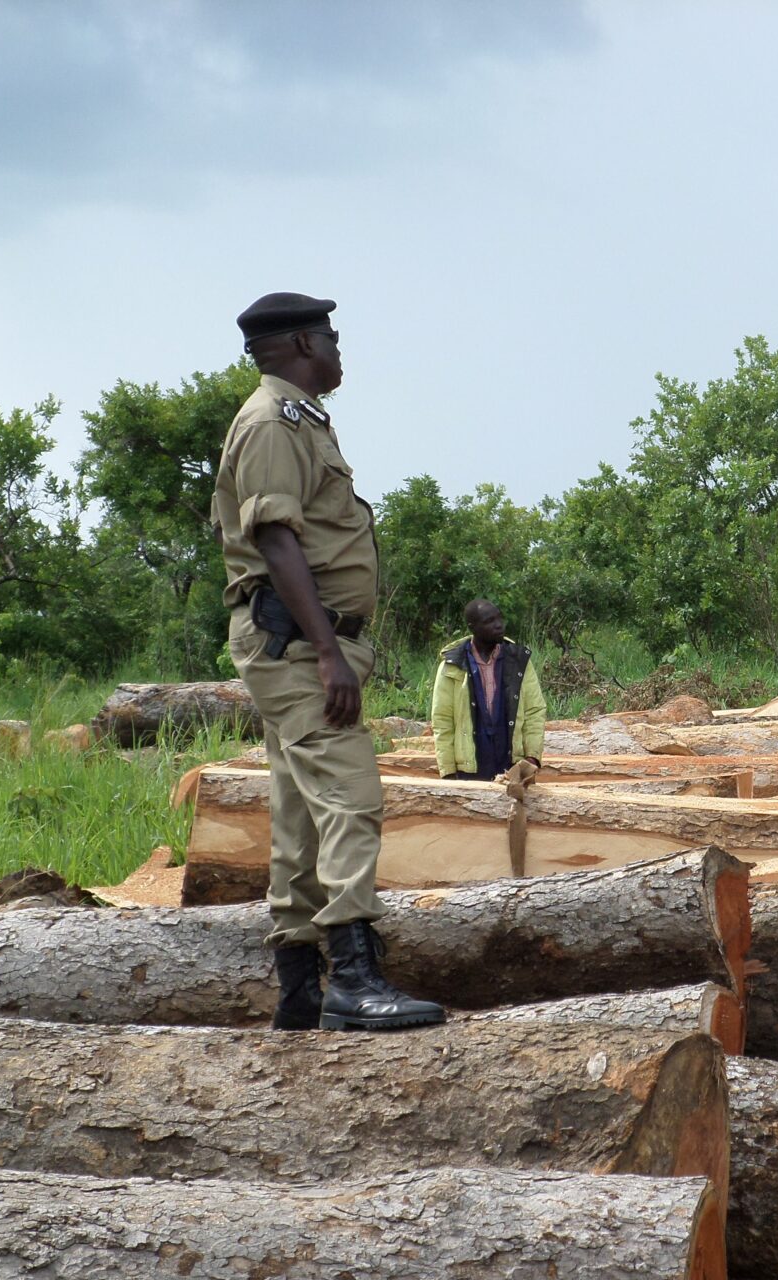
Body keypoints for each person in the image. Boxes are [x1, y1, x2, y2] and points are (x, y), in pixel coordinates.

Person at [212, 291, 442, 1033]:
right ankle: (352, 976)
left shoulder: (297, 418)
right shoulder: (272, 421)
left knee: (300, 815)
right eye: (332, 338)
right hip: (300, 643)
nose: (340, 351)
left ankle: (299, 990)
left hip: (303, 642)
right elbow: (278, 542)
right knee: (350, 796)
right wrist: (325, 655)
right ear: (305, 344)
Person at [431, 599, 546, 780]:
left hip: (511, 762)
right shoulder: (452, 666)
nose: (499, 625)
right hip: (469, 767)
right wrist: (448, 771)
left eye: (500, 618)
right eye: (489, 621)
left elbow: (535, 710)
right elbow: (442, 720)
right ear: (473, 627)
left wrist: (532, 757)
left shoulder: (518, 661)